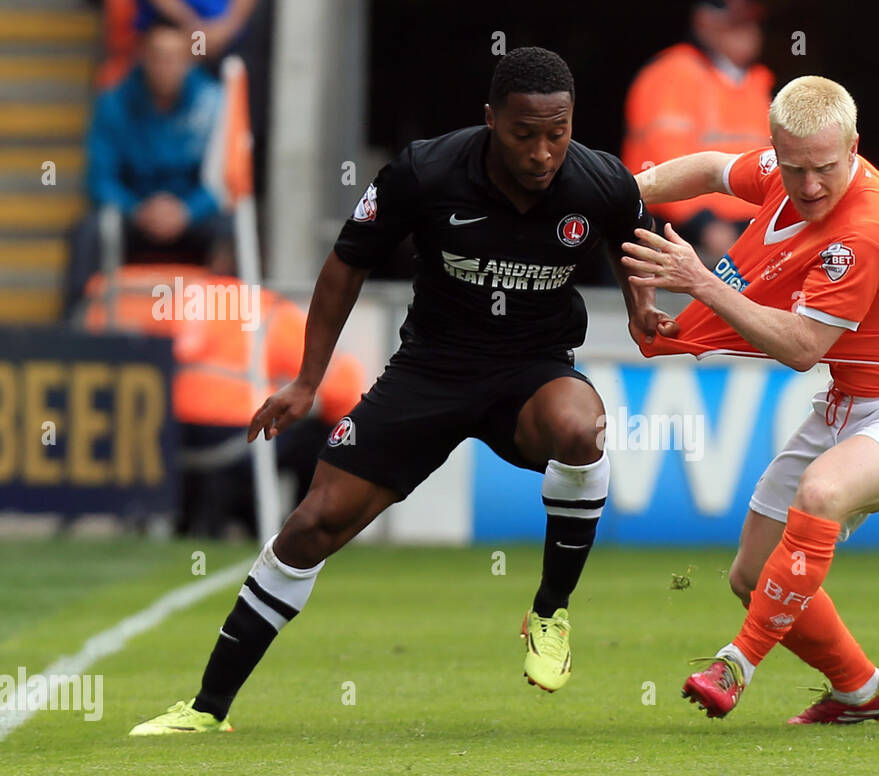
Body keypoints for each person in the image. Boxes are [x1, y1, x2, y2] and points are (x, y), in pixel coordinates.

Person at [129, 47, 657, 734]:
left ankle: (551, 611)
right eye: (525, 133)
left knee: (583, 429)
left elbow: (632, 241)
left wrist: (642, 306)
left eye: (557, 132)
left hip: (532, 369)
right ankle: (207, 709)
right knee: (313, 523)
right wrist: (307, 381)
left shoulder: (600, 181)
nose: (542, 151)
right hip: (430, 371)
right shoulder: (425, 170)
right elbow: (348, 264)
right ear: (491, 120)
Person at [623, 76, 879, 724]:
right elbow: (708, 167)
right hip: (854, 399)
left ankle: (736, 663)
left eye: (824, 169)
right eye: (793, 169)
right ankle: (864, 693)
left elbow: (801, 346)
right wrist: (626, 193)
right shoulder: (789, 169)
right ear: (777, 151)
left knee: (820, 493)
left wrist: (700, 283)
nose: (809, 185)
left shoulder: (865, 232)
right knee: (752, 575)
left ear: (854, 147)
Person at [64, 19, 233, 318]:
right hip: (135, 216)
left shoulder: (215, 103)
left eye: (174, 58)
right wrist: (137, 209)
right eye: (157, 57)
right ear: (142, 56)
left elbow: (224, 178)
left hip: (191, 218)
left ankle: (236, 333)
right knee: (86, 233)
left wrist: (186, 211)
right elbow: (100, 179)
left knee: (233, 233)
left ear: (188, 60)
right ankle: (76, 332)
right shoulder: (112, 103)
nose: (165, 67)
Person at [622, 0, 773, 268]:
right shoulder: (674, 72)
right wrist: (704, 224)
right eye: (737, 23)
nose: (750, 31)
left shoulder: (756, 82)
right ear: (704, 22)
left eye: (753, 22)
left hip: (750, 232)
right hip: (685, 232)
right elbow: (665, 157)